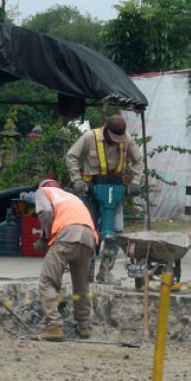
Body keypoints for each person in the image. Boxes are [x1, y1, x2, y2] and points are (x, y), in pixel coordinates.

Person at [65, 115, 144, 284]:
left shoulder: (126, 139)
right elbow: (71, 156)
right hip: (92, 190)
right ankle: (86, 269)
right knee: (89, 231)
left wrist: (135, 182)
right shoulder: (90, 137)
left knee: (116, 232)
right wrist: (77, 179)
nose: (116, 141)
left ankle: (105, 271)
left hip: (116, 190)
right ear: (106, 129)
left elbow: (139, 160)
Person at [33, 179, 99, 342]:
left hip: (67, 235)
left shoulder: (43, 192)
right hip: (89, 237)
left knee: (47, 281)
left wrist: (46, 236)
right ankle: (84, 325)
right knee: (82, 284)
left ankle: (54, 326)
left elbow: (46, 211)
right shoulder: (72, 197)